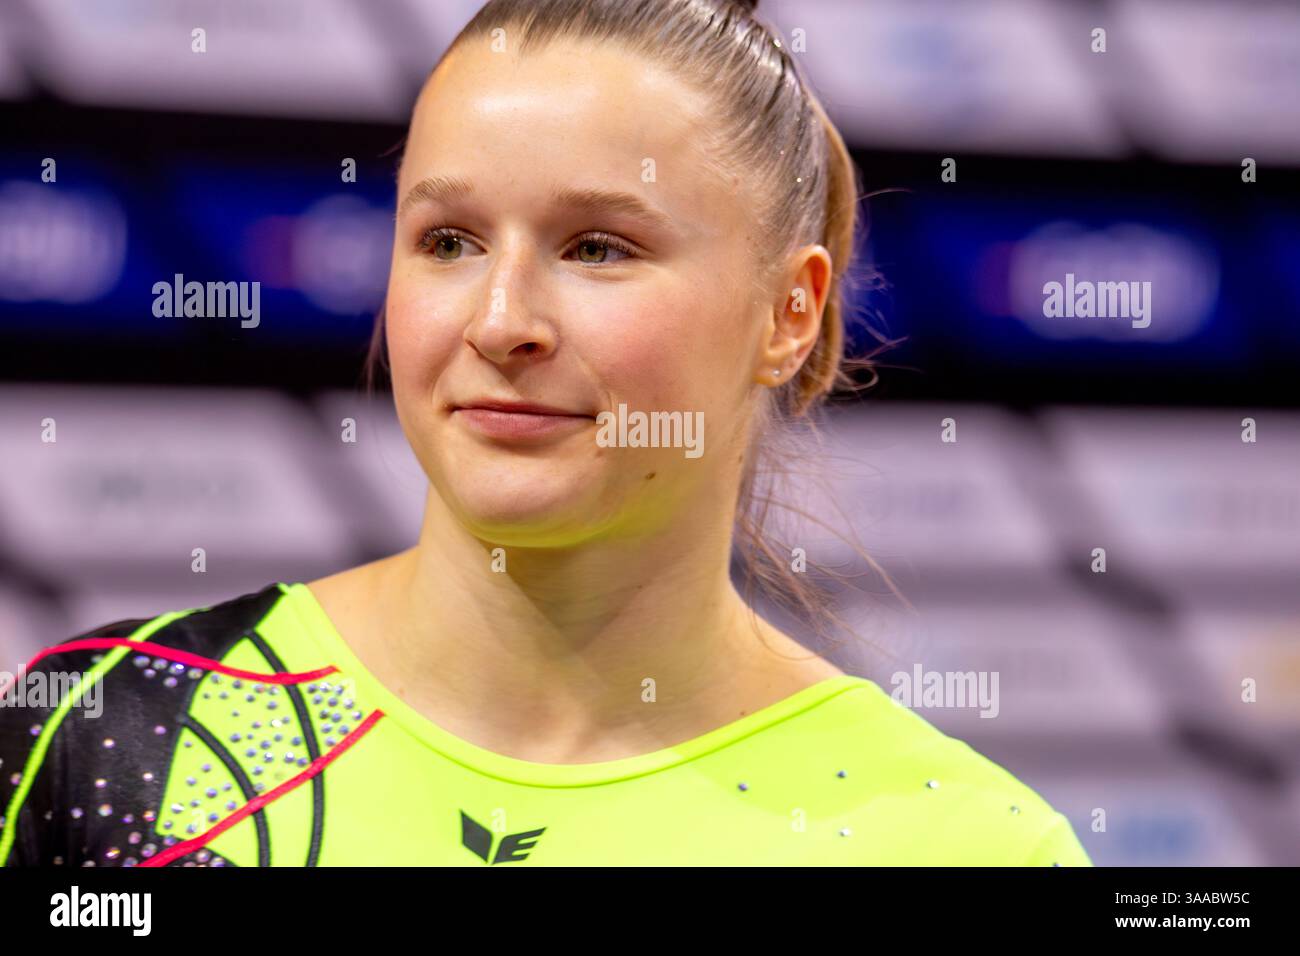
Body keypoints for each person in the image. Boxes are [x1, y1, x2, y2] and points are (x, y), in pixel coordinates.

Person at [0, 0, 1091, 866]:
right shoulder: (116, 735)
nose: (500, 320)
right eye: (448, 239)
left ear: (787, 313)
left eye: (599, 247)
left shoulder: (964, 843)